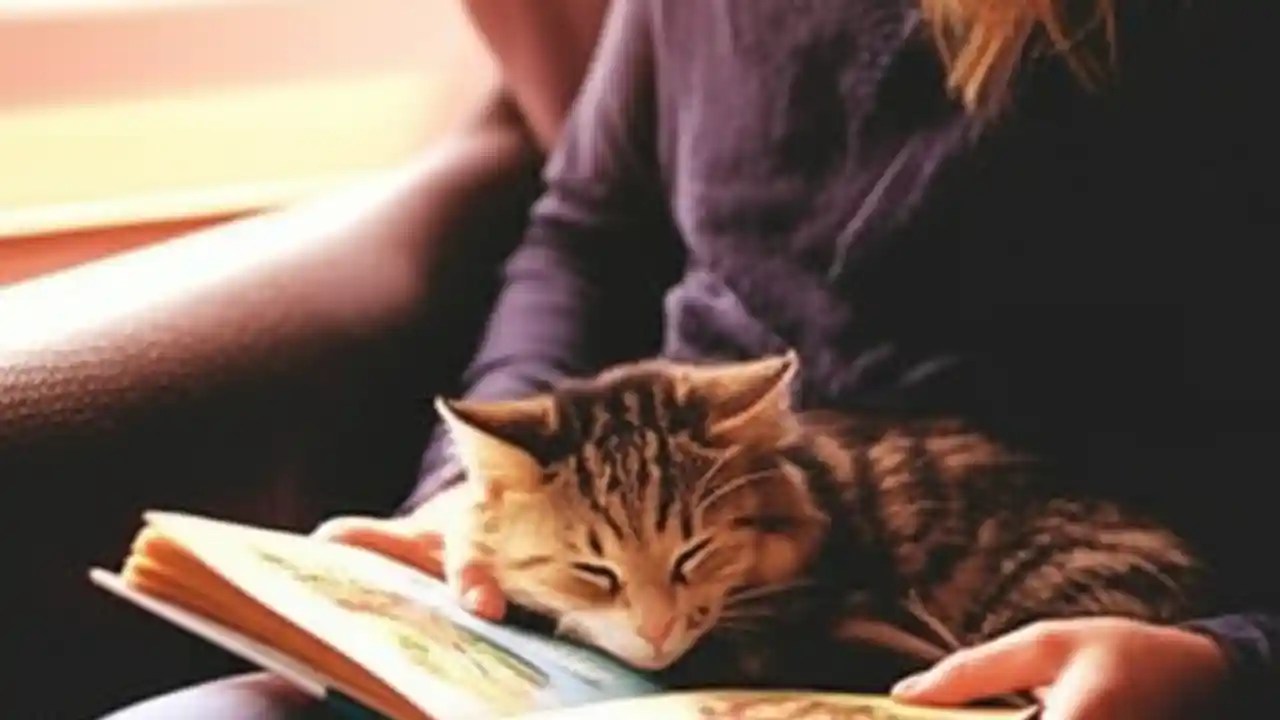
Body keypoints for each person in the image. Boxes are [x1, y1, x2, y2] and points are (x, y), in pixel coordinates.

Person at [107, 0, 1279, 717]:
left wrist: (1230, 664)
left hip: (1053, 634)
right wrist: (482, 498)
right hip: (643, 572)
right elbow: (587, 227)